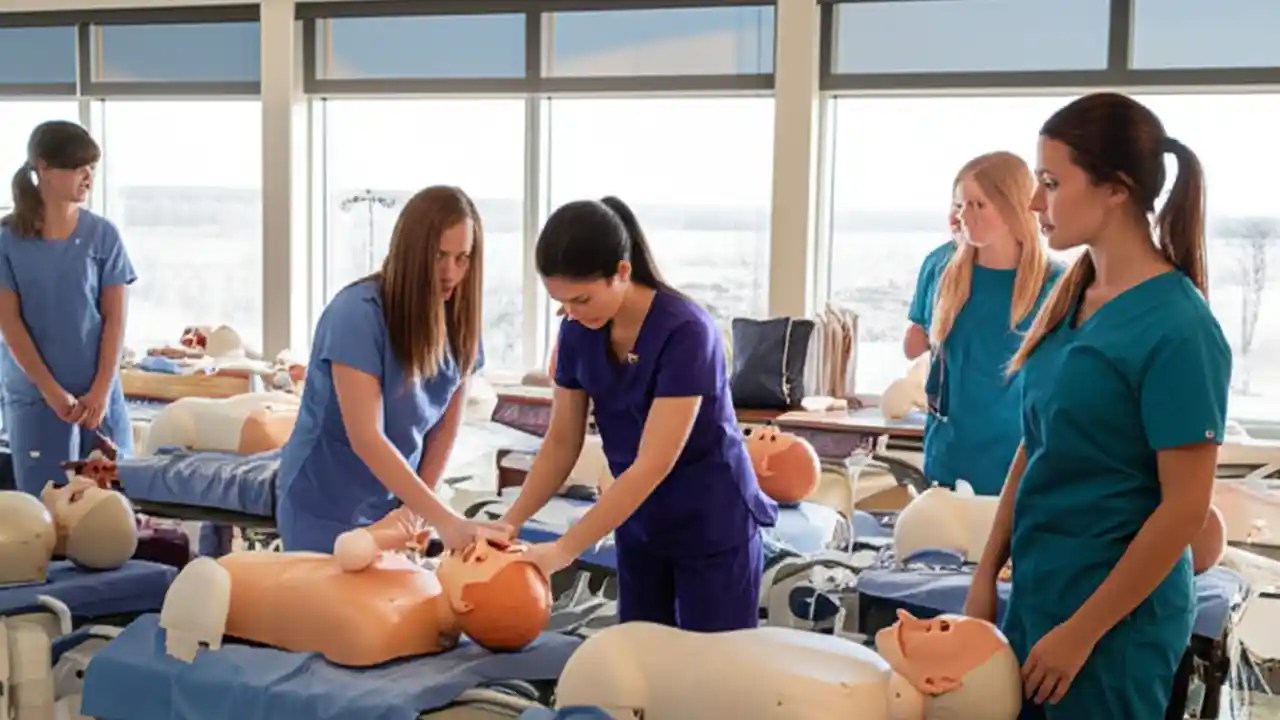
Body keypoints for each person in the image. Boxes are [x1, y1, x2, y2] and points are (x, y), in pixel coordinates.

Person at [965, 92, 1231, 718]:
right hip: (1038, 598)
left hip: (1115, 630)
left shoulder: (1179, 327)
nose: (1034, 203)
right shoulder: (1072, 299)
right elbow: (1036, 448)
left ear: (1116, 190)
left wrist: (1084, 632)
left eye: (1051, 183)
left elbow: (1185, 509)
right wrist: (984, 577)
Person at [502, 196, 778, 632]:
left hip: (710, 519)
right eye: (561, 303)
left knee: (714, 674)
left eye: (582, 299)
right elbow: (561, 442)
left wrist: (564, 549)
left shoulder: (687, 331)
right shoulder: (578, 331)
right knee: (642, 665)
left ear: (622, 272)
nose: (571, 314)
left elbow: (653, 463)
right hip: (639, 519)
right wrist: (510, 522)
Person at [275, 185, 510, 554]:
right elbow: (367, 436)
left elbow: (443, 433)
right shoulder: (356, 315)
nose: (451, 272)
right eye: (438, 256)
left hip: (393, 500)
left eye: (462, 258)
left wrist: (414, 513)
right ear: (412, 253)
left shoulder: (462, 324)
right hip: (323, 503)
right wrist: (446, 520)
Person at [0, 120, 135, 496]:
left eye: (91, 167)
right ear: (43, 167)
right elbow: (9, 325)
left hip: (99, 394)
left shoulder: (102, 235)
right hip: (35, 395)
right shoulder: (7, 242)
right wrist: (51, 391)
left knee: (110, 513)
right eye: (78, 167)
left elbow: (115, 319)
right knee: (44, 514)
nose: (88, 176)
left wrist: (101, 391)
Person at [920, 152, 1061, 496]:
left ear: (1013, 207)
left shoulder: (1057, 283)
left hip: (1023, 469)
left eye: (977, 205)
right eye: (960, 205)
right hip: (947, 466)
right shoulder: (942, 269)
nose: (962, 216)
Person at [903, 203, 961, 360]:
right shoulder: (935, 261)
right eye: (957, 206)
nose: (959, 216)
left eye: (978, 205)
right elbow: (918, 330)